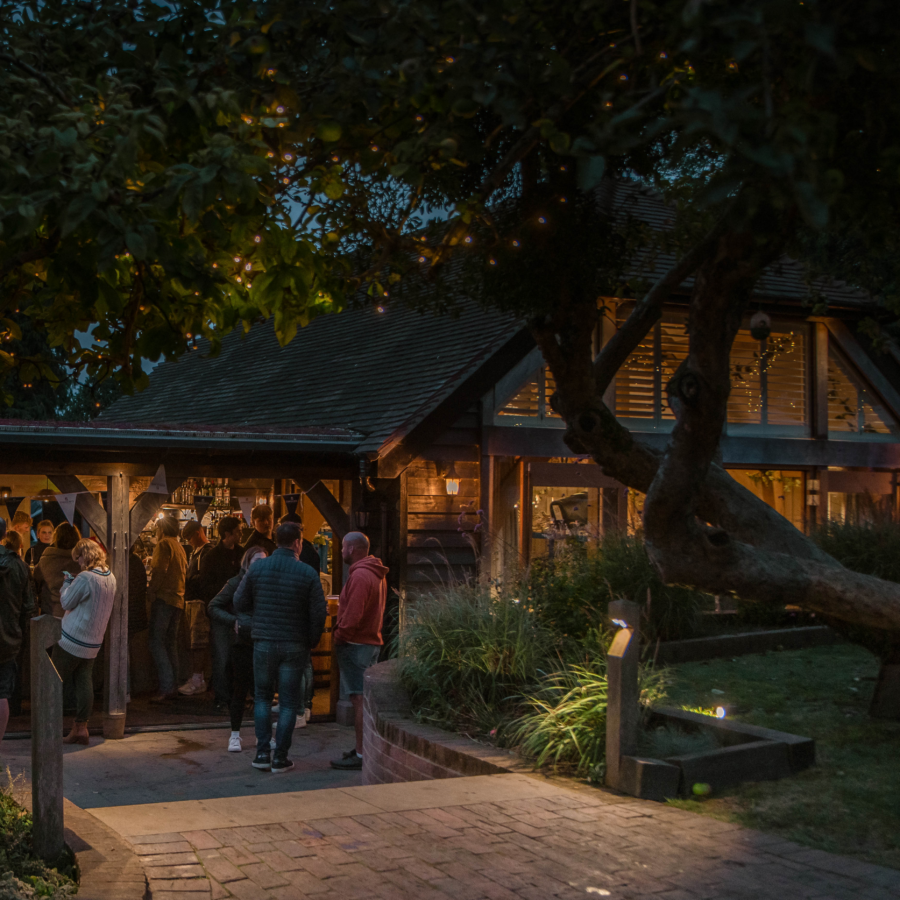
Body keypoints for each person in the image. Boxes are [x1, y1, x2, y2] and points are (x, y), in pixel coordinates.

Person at [234, 522, 326, 774]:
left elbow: (239, 600)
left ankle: (262, 753)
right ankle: (280, 757)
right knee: (288, 702)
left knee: (262, 698)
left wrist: (254, 622)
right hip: (295, 643)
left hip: (263, 642)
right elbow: (319, 613)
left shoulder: (259, 568)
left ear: (275, 541)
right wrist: (311, 640)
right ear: (297, 542)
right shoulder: (307, 573)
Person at [330, 532, 389, 771]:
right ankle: (361, 750)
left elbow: (353, 615)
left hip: (356, 644)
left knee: (358, 699)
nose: (341, 551)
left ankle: (362, 754)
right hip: (368, 642)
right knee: (360, 699)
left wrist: (338, 636)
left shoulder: (361, 576)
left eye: (343, 547)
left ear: (352, 548)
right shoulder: (373, 574)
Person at [53, 538, 116, 745]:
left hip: (71, 639)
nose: (78, 563)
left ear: (85, 555)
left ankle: (47, 726)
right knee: (84, 682)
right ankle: (81, 728)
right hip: (93, 642)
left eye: (78, 558)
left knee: (51, 681)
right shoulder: (110, 577)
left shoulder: (85, 578)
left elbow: (66, 602)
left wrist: (67, 584)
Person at [208, 546, 267, 752]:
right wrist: (234, 621)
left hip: (261, 641)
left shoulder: (267, 583)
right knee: (240, 690)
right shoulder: (236, 583)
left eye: (263, 561)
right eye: (256, 561)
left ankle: (262, 736)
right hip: (242, 643)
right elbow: (213, 606)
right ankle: (235, 735)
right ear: (247, 563)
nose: (260, 565)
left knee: (261, 691)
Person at [277, 512, 319, 725]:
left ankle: (301, 709)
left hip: (292, 618)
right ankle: (300, 707)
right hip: (300, 618)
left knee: (301, 666)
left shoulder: (303, 555)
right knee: (301, 665)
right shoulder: (309, 554)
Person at [201, 516, 244, 708]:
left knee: (237, 656)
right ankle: (222, 697)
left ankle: (237, 694)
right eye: (238, 531)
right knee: (221, 656)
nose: (242, 534)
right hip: (221, 613)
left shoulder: (242, 554)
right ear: (228, 534)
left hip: (239, 612)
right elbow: (206, 587)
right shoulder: (212, 556)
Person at [0, 517, 35, 745]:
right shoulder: (19, 565)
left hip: (9, 637)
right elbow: (29, 608)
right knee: (1, 694)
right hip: (8, 639)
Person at [147, 516, 187, 702]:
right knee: (171, 643)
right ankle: (174, 685)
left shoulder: (163, 545)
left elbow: (159, 570)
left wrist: (152, 591)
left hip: (164, 598)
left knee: (156, 642)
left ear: (161, 530)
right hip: (178, 600)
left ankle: (165, 687)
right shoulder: (179, 547)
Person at [178, 520, 212, 696]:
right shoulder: (195, 553)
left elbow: (204, 578)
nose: (189, 542)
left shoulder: (206, 552)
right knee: (193, 642)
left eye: (190, 538)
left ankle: (198, 680)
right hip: (192, 601)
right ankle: (197, 677)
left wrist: (188, 581)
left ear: (198, 533)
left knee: (199, 642)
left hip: (199, 602)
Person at [34, 523, 81, 617]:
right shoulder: (81, 562)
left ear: (56, 538)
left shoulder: (46, 559)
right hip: (76, 614)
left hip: (50, 613)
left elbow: (35, 584)